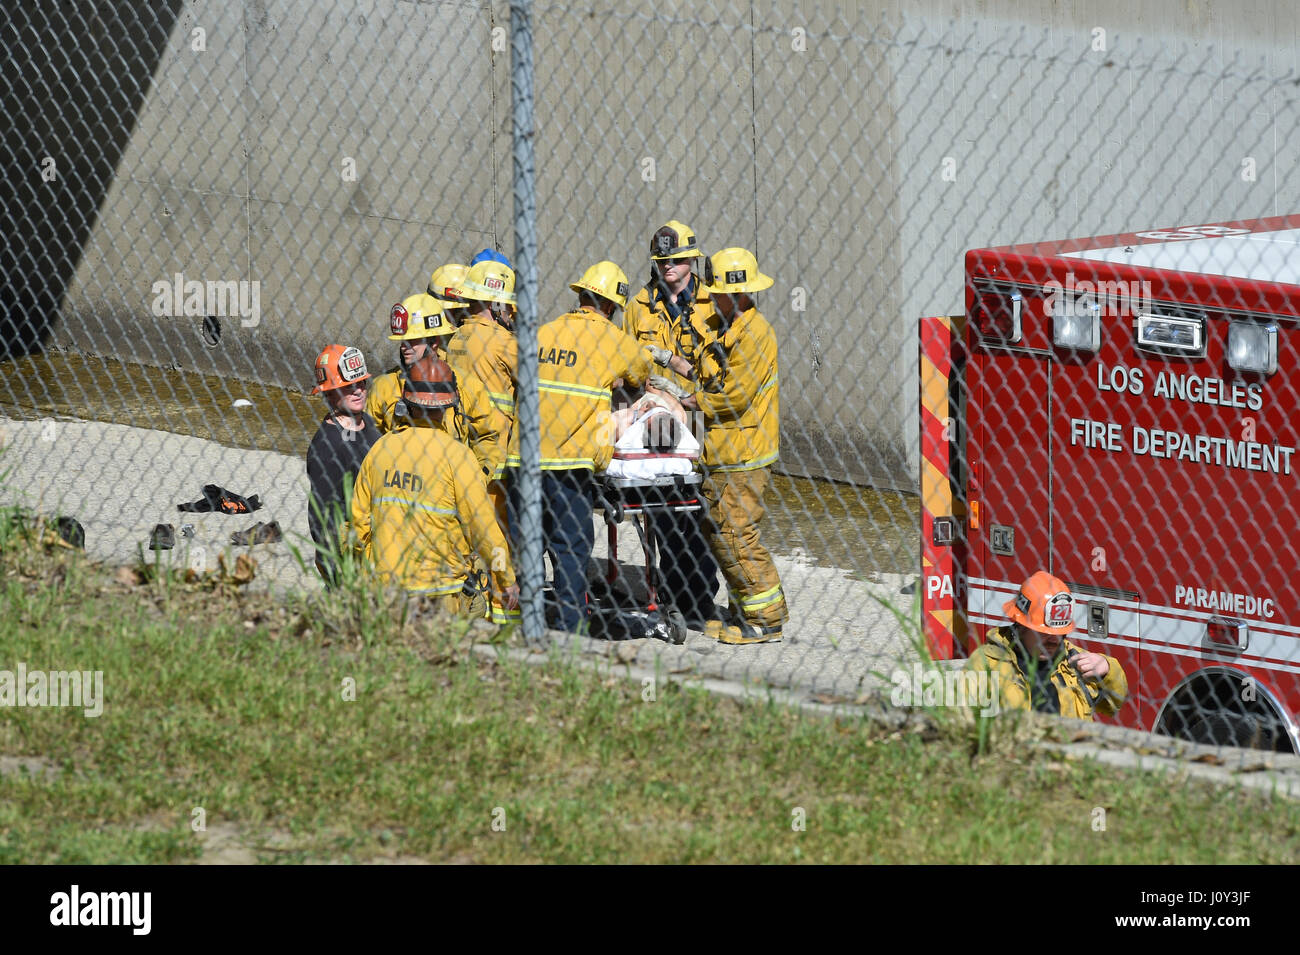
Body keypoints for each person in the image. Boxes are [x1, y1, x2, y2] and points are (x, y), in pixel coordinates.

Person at [505, 262, 652, 632]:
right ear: (610, 307)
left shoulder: (543, 333)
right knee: (570, 547)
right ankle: (571, 626)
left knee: (528, 543)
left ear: (582, 296)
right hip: (568, 464)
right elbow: (641, 372)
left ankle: (529, 619)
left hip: (522, 457)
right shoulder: (613, 341)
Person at [670, 247, 786, 644]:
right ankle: (744, 611)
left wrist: (690, 400)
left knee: (737, 535)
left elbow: (733, 396)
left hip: (744, 454)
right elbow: (713, 373)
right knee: (722, 533)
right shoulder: (727, 329)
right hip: (725, 452)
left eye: (716, 291)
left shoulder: (755, 334)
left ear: (734, 293)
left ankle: (765, 619)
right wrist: (676, 365)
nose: (710, 296)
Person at [350, 355, 519, 619]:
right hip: (439, 590)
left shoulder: (381, 449)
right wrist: (504, 577)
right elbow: (484, 529)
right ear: (450, 405)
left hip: (386, 587)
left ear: (406, 401)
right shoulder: (458, 457)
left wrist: (366, 568)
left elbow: (357, 522)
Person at [619, 220, 721, 627]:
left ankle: (701, 598)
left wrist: (677, 368)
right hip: (656, 421)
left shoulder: (713, 307)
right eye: (662, 260)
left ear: (692, 261)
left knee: (697, 512)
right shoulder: (638, 307)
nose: (668, 267)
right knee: (662, 510)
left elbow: (720, 373)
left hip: (697, 418)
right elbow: (625, 363)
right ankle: (677, 595)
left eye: (676, 260)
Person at [368, 293, 502, 476]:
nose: (404, 347)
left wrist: (478, 477)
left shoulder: (467, 385)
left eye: (413, 340)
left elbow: (486, 438)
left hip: (449, 485)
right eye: (402, 341)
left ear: (434, 342)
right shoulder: (384, 386)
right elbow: (368, 440)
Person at [965, 571, 1127, 719]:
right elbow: (963, 722)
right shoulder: (986, 664)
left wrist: (1107, 669)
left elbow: (1114, 705)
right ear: (1021, 626)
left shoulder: (1075, 663)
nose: (1054, 640)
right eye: (1045, 633)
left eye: (1060, 633)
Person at [445, 259, 519, 535]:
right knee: (498, 532)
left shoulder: (455, 338)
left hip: (462, 450)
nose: (511, 313)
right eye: (509, 305)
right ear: (496, 304)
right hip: (496, 453)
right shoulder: (503, 342)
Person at [306, 344, 380, 587]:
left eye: (361, 384)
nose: (359, 391)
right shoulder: (328, 445)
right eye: (348, 387)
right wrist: (335, 571)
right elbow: (321, 517)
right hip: (351, 552)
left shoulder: (367, 423)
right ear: (329, 393)